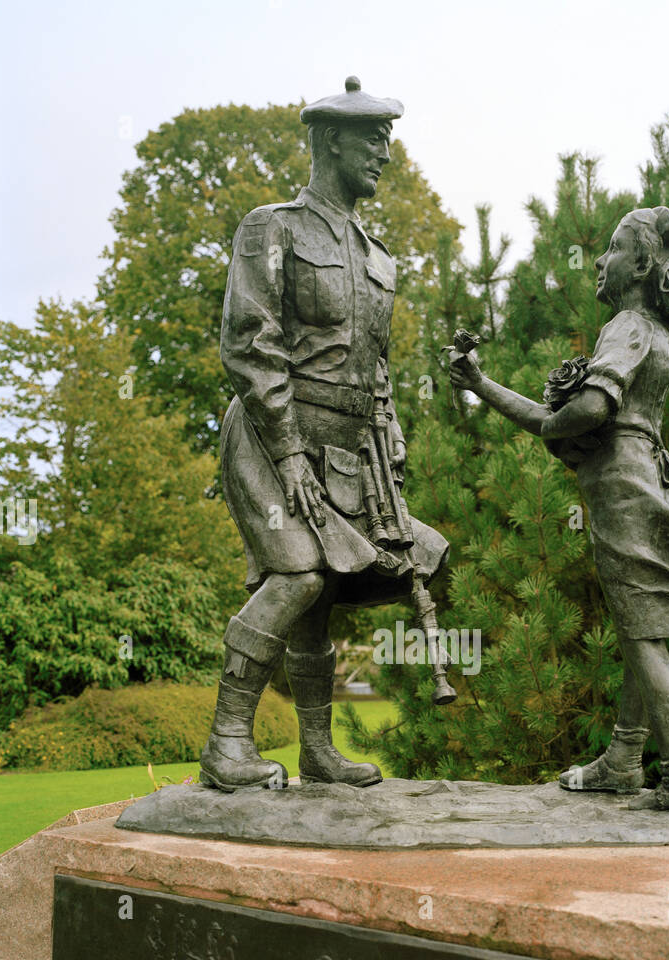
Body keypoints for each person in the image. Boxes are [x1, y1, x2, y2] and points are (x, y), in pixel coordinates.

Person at [448, 207, 669, 811]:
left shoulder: (627, 324)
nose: (599, 262)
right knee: (642, 625)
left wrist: (556, 428)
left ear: (640, 266)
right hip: (646, 477)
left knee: (640, 635)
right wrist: (480, 385)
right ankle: (625, 758)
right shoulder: (654, 332)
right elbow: (557, 416)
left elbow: (588, 410)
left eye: (612, 249)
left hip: (622, 488)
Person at [201, 77, 448, 793]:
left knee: (347, 583)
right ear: (331, 141)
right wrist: (288, 452)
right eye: (373, 140)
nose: (385, 156)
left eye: (388, 141)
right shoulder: (271, 229)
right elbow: (249, 344)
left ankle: (316, 750)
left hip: (348, 450)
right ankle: (225, 744)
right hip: (268, 434)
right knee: (299, 573)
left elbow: (377, 368)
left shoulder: (378, 258)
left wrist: (389, 441)